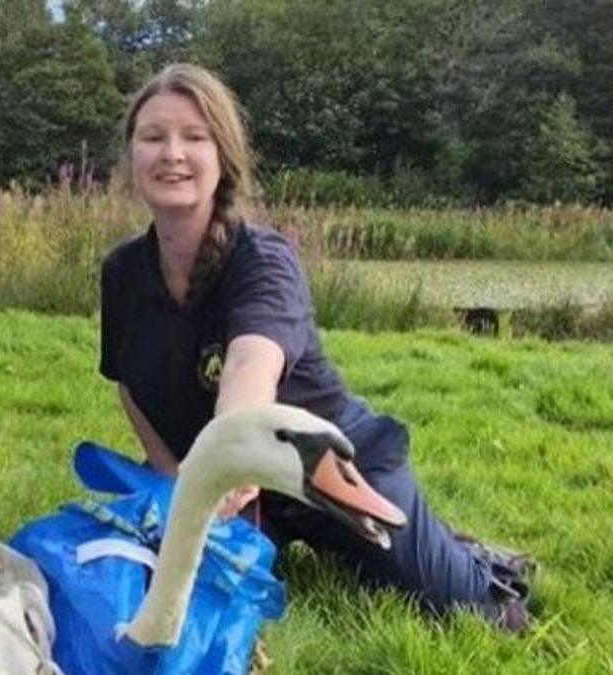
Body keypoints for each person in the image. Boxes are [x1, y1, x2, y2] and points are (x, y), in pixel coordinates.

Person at [98, 64, 533, 631]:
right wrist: (175, 477)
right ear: (132, 155)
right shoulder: (121, 271)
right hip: (226, 481)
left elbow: (249, 381)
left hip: (323, 464)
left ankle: (477, 560)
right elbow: (127, 383)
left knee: (464, 609)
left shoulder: (264, 261)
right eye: (153, 137)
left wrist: (227, 460)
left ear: (223, 156)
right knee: (182, 601)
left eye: (193, 137)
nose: (171, 153)